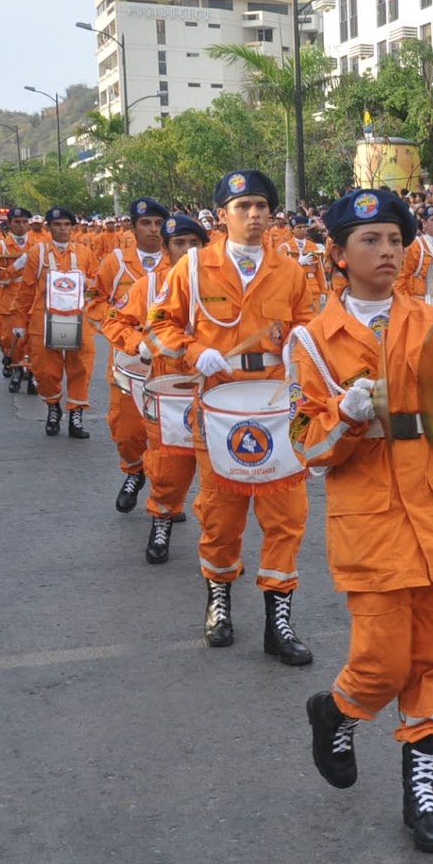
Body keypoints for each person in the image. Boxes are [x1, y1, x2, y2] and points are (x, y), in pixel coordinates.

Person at [290, 188, 433, 854]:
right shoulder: (311, 342)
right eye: (370, 241)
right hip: (369, 519)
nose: (387, 252)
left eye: (396, 241)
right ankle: (337, 710)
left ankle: (421, 788)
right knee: (380, 661)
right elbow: (308, 449)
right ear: (337, 255)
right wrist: (341, 418)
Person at [150, 170, 315, 663]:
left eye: (262, 205)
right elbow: (159, 325)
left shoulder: (290, 271)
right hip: (219, 404)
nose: (255, 214)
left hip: (277, 404)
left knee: (287, 516)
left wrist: (300, 350)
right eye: (243, 206)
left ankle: (278, 619)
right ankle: (218, 598)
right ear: (221, 216)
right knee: (221, 516)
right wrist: (192, 351)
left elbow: (310, 330)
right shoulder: (195, 268)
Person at [102, 214, 206, 563]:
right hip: (165, 388)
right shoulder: (149, 287)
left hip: (213, 389)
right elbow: (114, 322)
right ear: (166, 248)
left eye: (195, 244)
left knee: (218, 473)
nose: (189, 251)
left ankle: (220, 545)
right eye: (181, 244)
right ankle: (161, 519)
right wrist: (138, 343)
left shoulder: (223, 286)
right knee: (167, 464)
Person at [92, 196, 172, 514]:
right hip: (127, 364)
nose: (153, 230)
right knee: (126, 432)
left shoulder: (177, 263)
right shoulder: (115, 263)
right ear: (133, 227)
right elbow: (95, 301)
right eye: (146, 224)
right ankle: (133, 471)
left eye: (158, 223)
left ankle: (166, 494)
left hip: (168, 367)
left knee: (167, 437)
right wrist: (129, 337)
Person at [13, 207, 100, 439]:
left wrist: (86, 285)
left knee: (80, 366)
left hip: (77, 317)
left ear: (73, 227)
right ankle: (53, 407)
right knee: (45, 371)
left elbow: (97, 288)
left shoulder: (84, 253)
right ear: (48, 228)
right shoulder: (37, 254)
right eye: (57, 225)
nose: (63, 229)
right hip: (44, 318)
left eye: (66, 225)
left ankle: (76, 414)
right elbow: (26, 290)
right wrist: (20, 321)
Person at [0, 207, 36, 387]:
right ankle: (16, 368)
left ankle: (31, 371)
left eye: (24, 222)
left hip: (34, 296)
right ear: (10, 224)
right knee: (9, 338)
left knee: (34, 337)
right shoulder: (0, 248)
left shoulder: (38, 245)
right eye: (17, 222)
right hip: (10, 297)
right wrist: (15, 267)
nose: (21, 226)